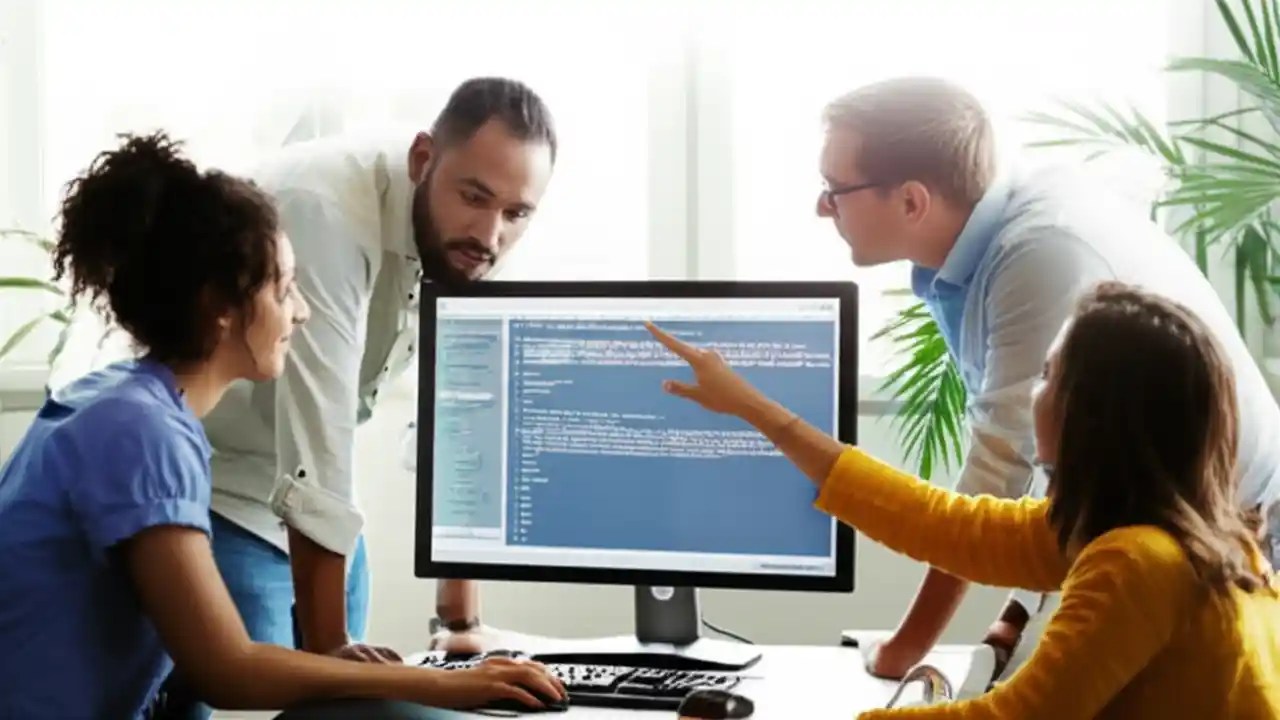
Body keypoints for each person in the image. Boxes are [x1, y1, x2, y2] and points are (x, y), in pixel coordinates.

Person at [0, 132, 565, 718]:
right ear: (222, 305)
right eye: (285, 287)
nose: (303, 309)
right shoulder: (142, 433)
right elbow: (231, 672)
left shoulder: (124, 404)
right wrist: (449, 684)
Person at [805, 75, 1280, 680]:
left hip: (1239, 531)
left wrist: (905, 652)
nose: (822, 207)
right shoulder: (993, 241)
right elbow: (1065, 462)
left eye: (833, 188)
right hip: (1178, 526)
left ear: (911, 201)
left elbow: (992, 482)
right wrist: (1015, 618)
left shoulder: (1038, 256)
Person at [644, 281, 1280, 718]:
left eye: (1046, 375)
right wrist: (750, 405)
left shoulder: (1140, 562)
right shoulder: (1203, 543)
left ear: (1092, 414)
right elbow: (934, 522)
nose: (1033, 391)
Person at [194, 76, 557, 669]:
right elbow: (320, 430)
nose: (492, 234)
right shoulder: (324, 210)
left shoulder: (483, 232)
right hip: (214, 478)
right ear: (422, 160)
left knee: (359, 691)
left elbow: (463, 417)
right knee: (252, 690)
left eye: (516, 212)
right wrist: (331, 658)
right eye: (473, 197)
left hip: (318, 498)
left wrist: (459, 619)